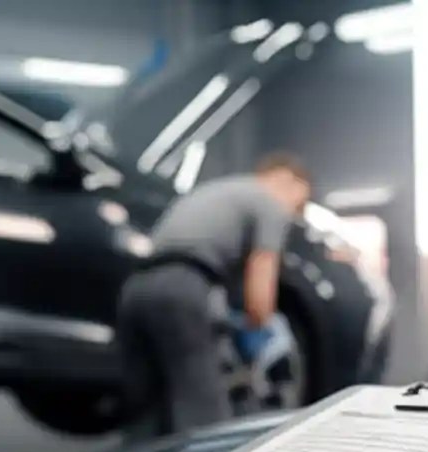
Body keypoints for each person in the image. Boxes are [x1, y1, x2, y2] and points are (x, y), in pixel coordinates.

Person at [116, 152, 312, 435]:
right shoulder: (269, 203)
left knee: (145, 414)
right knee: (200, 411)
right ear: (288, 181)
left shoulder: (216, 191)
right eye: (300, 204)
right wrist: (261, 328)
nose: (296, 214)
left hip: (135, 288)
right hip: (181, 289)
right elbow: (260, 285)